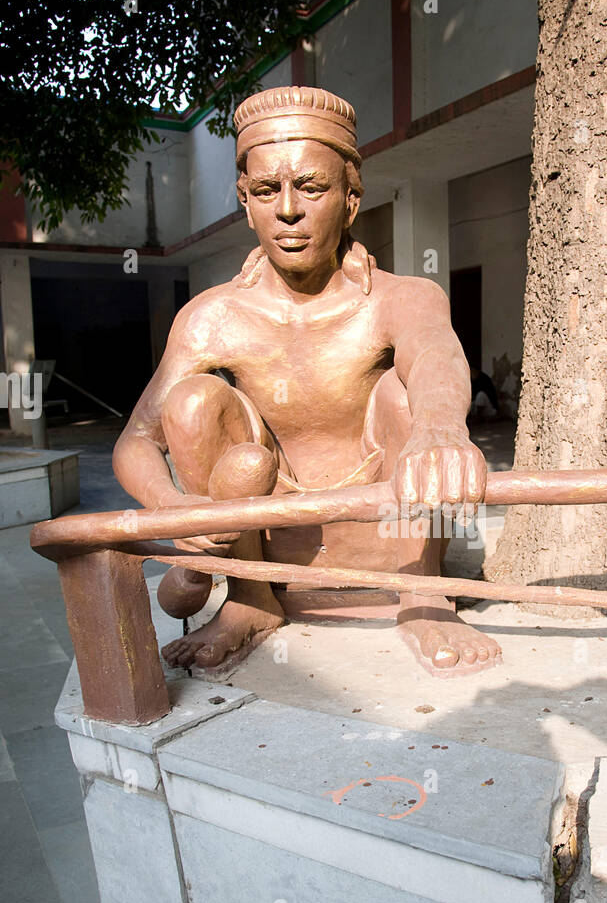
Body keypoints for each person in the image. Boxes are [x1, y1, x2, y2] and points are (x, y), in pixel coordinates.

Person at [112, 86, 501, 675]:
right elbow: (136, 441)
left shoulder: (401, 297)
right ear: (246, 203)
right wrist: (176, 509)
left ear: (349, 199)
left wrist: (440, 427)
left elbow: (435, 357)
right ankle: (250, 601)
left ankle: (423, 595)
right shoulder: (212, 316)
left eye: (312, 187)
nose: (288, 210)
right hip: (270, 544)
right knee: (192, 402)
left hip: (384, 531)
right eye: (267, 191)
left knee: (406, 394)